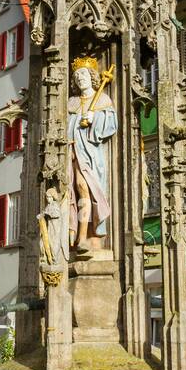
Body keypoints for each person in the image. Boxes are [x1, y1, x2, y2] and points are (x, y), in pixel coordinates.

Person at [68, 57, 117, 254]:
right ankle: (73, 233)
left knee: (84, 189)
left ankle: (84, 236)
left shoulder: (102, 99)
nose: (80, 78)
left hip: (89, 154)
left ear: (92, 76)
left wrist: (94, 117)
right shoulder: (71, 102)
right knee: (71, 192)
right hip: (69, 153)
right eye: (77, 75)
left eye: (83, 74)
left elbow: (111, 124)